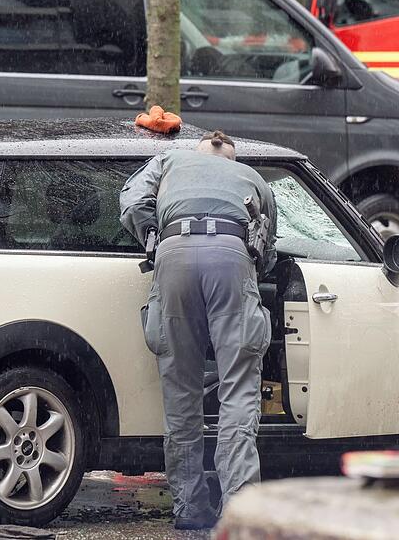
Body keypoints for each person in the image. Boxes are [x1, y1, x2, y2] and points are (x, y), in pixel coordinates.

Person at [119, 130, 277, 530]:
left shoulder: (170, 161)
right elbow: (268, 245)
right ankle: (239, 512)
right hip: (231, 256)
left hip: (173, 255)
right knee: (238, 390)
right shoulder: (251, 178)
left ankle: (189, 507)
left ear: (200, 151)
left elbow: (132, 201)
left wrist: (154, 239)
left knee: (181, 393)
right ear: (231, 158)